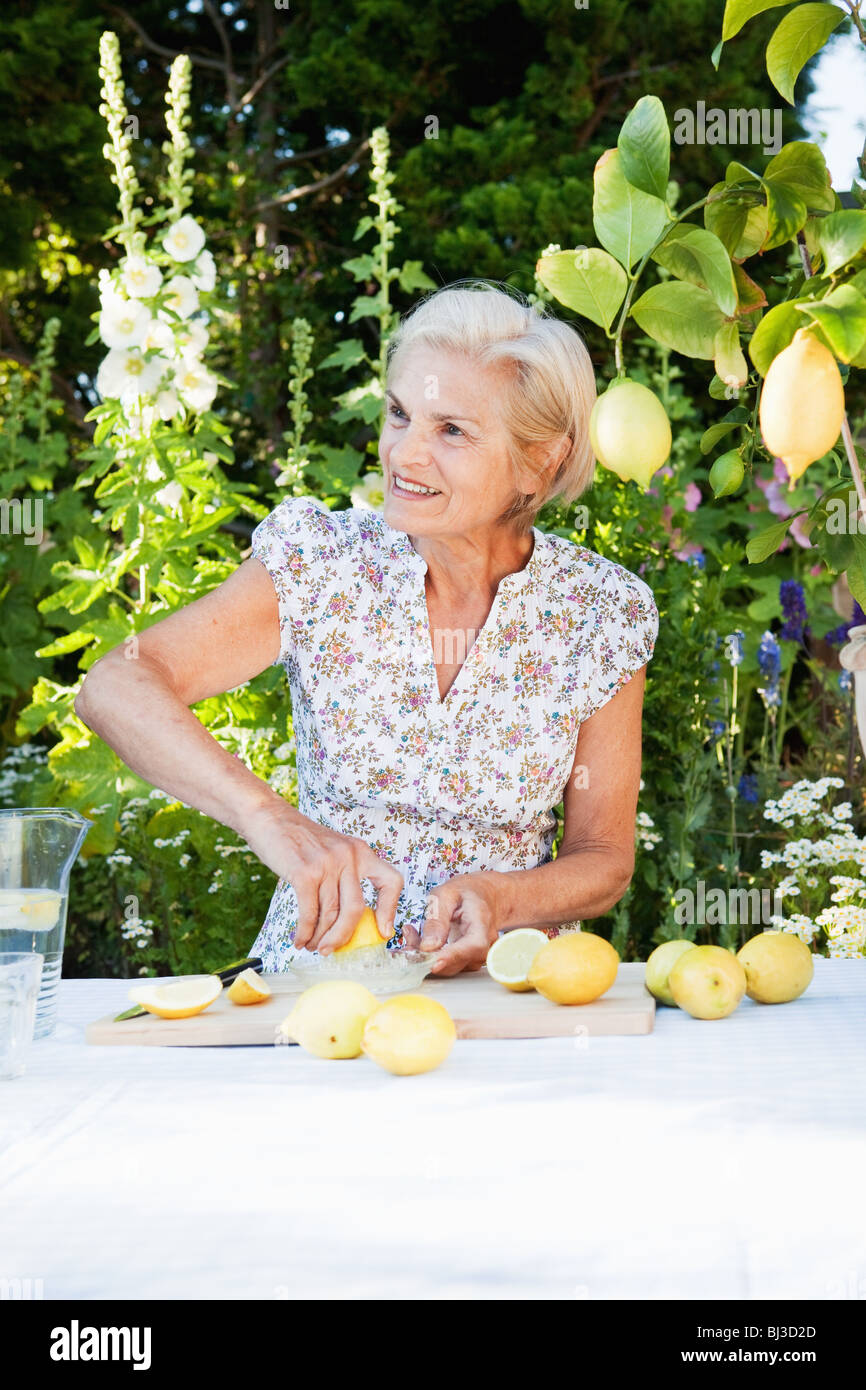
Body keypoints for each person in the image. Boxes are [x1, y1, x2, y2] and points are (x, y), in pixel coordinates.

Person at [75, 282, 659, 977]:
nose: (405, 455)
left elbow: (603, 859)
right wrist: (271, 819)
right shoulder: (320, 563)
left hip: (509, 989)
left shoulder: (601, 612)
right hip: (319, 985)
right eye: (399, 414)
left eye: (451, 430)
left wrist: (501, 899)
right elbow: (115, 685)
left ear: (542, 459)